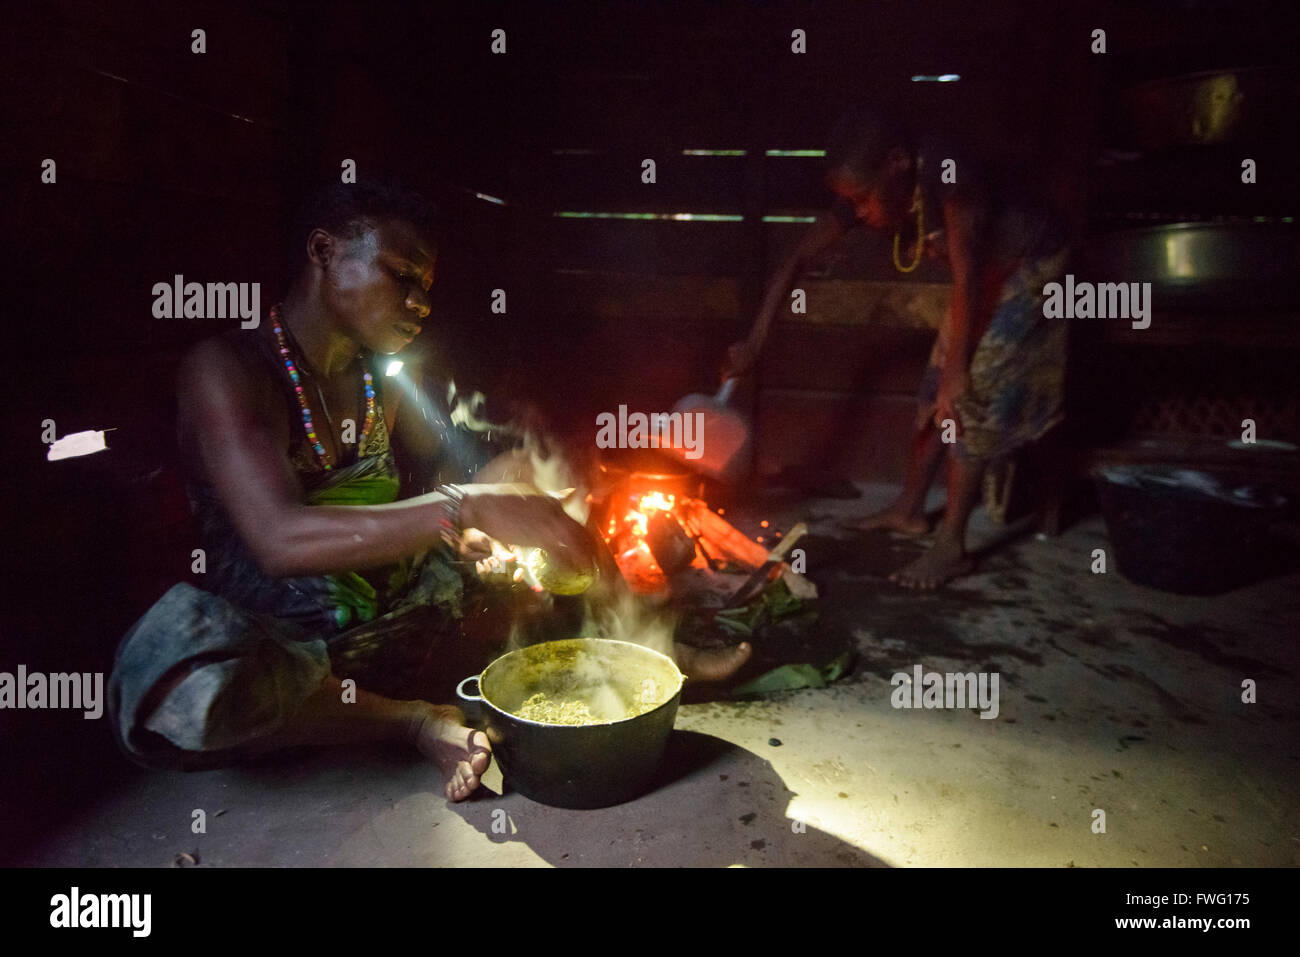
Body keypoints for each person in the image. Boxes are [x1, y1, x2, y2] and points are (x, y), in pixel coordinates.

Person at [108, 180, 747, 802]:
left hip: (395, 614)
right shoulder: (227, 370)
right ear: (324, 251)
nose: (420, 302)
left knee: (557, 539)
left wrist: (495, 507)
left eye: (426, 287)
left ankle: (656, 654)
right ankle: (412, 722)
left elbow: (426, 496)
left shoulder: (377, 381)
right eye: (401, 275)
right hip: (284, 640)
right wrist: (463, 506)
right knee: (188, 682)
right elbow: (278, 539)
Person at [724, 106, 1070, 589]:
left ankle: (952, 546)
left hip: (1033, 267)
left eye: (862, 199)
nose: (859, 212)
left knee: (967, 398)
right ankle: (909, 511)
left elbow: (967, 273)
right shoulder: (877, 184)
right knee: (935, 392)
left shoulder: (952, 174)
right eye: (850, 202)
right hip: (983, 278)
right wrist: (756, 340)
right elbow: (799, 254)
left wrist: (959, 372)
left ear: (897, 162)